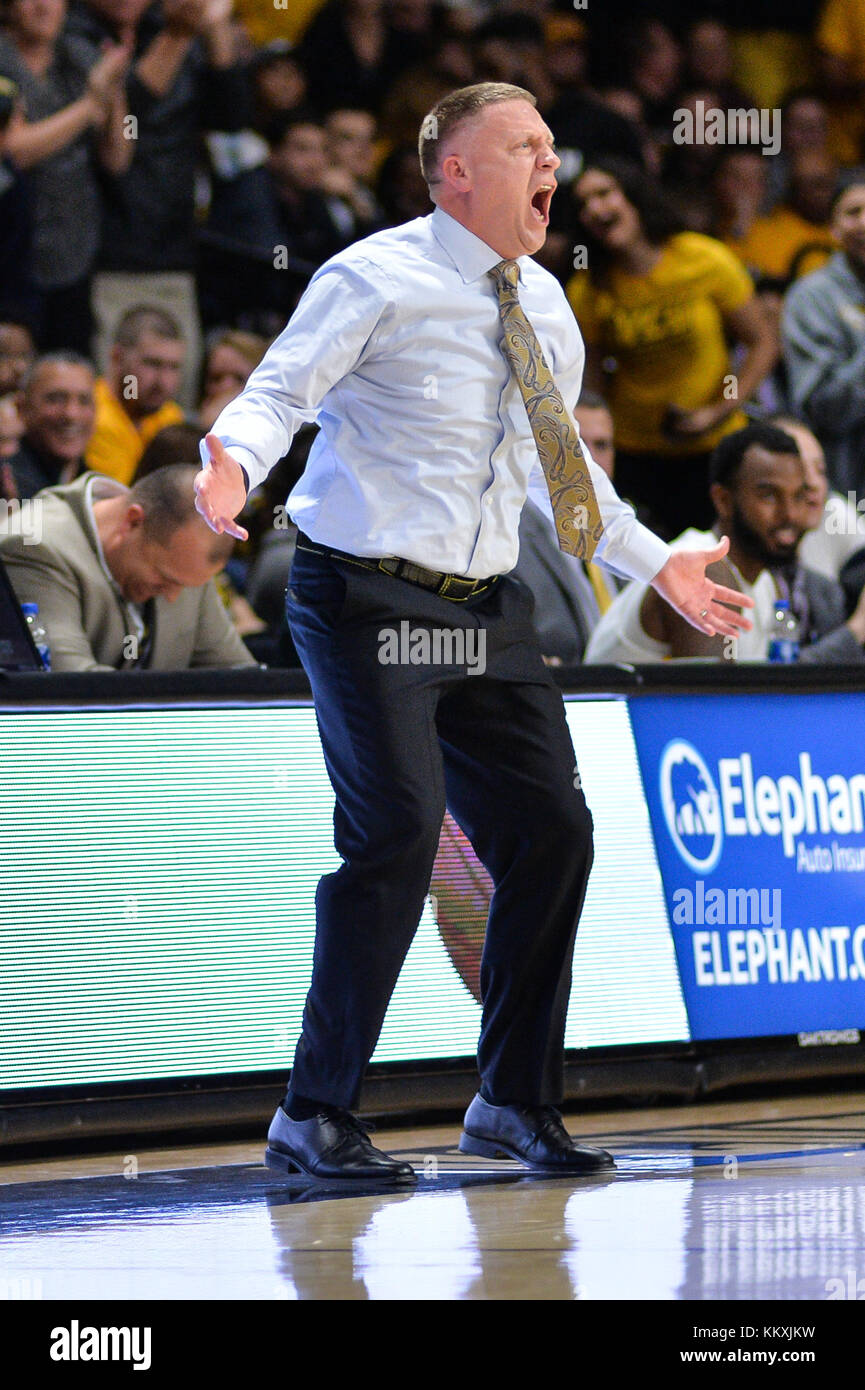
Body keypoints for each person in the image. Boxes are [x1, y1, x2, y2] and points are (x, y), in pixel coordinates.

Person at [194, 81, 752, 1184]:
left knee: (554, 832)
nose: (553, 165)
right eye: (525, 146)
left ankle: (510, 1101)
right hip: (368, 596)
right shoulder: (372, 274)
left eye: (553, 148)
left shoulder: (544, 302)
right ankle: (313, 1114)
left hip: (486, 612)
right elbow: (279, 390)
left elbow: (563, 475)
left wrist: (660, 564)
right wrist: (230, 460)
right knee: (399, 832)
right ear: (455, 170)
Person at [568, 157, 778, 539]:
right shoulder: (588, 289)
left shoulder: (703, 258)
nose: (595, 209)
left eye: (603, 194)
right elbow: (592, 382)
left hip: (714, 447)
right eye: (583, 204)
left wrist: (718, 411)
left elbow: (762, 341)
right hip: (636, 456)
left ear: (634, 197)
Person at [585, 422, 865, 665]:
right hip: (609, 723)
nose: (789, 514)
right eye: (769, 496)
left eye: (797, 496)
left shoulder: (767, 583)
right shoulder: (705, 570)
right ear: (723, 500)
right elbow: (713, 711)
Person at [0, 463, 255, 671]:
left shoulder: (184, 561)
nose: (173, 595)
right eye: (164, 578)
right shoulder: (34, 547)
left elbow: (237, 675)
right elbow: (70, 688)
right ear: (132, 522)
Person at [782, 175, 865, 499]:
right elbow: (823, 410)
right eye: (853, 212)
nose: (864, 221)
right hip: (848, 496)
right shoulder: (811, 297)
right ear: (832, 229)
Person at [85, 305, 185, 486]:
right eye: (152, 363)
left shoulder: (171, 416)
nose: (163, 381)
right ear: (117, 357)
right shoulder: (87, 412)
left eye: (173, 367)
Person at [5, 352, 95, 499]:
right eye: (56, 399)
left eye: (84, 401)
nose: (71, 414)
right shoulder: (5, 486)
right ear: (22, 408)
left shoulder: (102, 492)